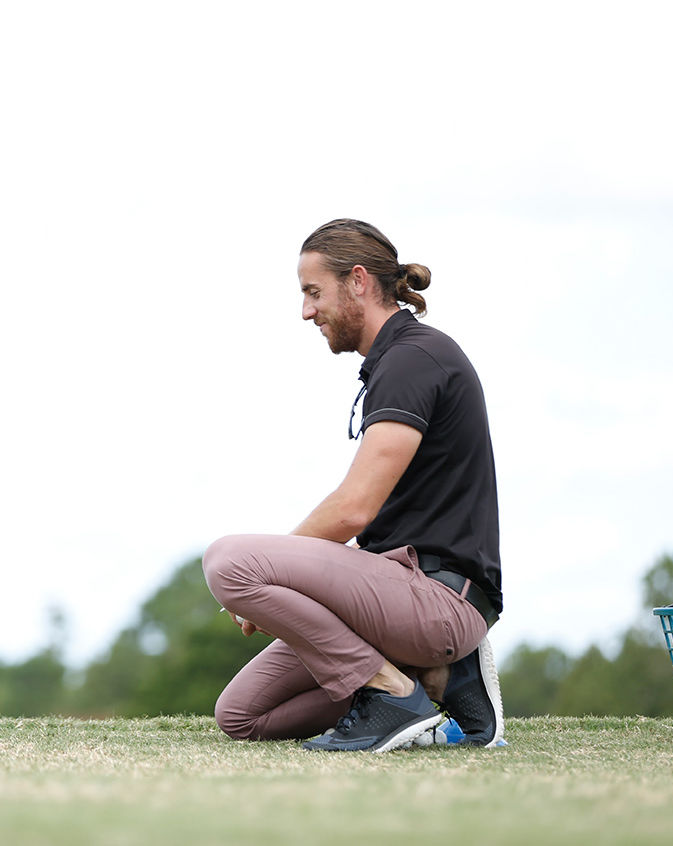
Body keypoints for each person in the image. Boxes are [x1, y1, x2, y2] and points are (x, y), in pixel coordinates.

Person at [201, 218, 503, 753]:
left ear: (358, 281)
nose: (306, 311)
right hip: (393, 590)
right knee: (243, 715)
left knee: (229, 562)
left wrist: (267, 581)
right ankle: (434, 681)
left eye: (314, 292)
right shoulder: (392, 362)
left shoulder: (413, 359)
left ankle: (393, 691)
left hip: (439, 600)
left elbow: (353, 510)